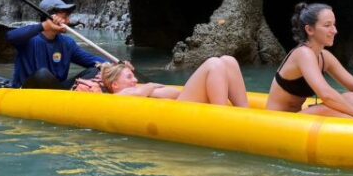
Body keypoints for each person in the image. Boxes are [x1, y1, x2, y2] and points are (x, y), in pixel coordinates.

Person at [266, 2, 353, 120]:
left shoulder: (324, 56)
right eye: (327, 25)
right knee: (322, 109)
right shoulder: (303, 54)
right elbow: (326, 95)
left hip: (297, 119)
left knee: (352, 97)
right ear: (309, 30)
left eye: (334, 25)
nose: (334, 30)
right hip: (277, 121)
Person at [6, 0, 107, 89]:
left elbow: (93, 61)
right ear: (50, 17)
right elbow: (10, 36)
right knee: (43, 75)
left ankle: (67, 101)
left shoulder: (67, 43)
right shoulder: (29, 38)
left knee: (98, 70)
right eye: (64, 17)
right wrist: (45, 25)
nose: (68, 21)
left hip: (56, 91)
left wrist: (116, 66)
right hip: (28, 91)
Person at [100, 56, 249, 107]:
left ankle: (244, 112)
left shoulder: (138, 90)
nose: (136, 79)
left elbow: (175, 93)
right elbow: (140, 94)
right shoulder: (120, 96)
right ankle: (221, 117)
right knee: (214, 64)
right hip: (183, 107)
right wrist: (151, 86)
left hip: (182, 102)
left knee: (228, 61)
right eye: (129, 77)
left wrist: (150, 90)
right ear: (115, 85)